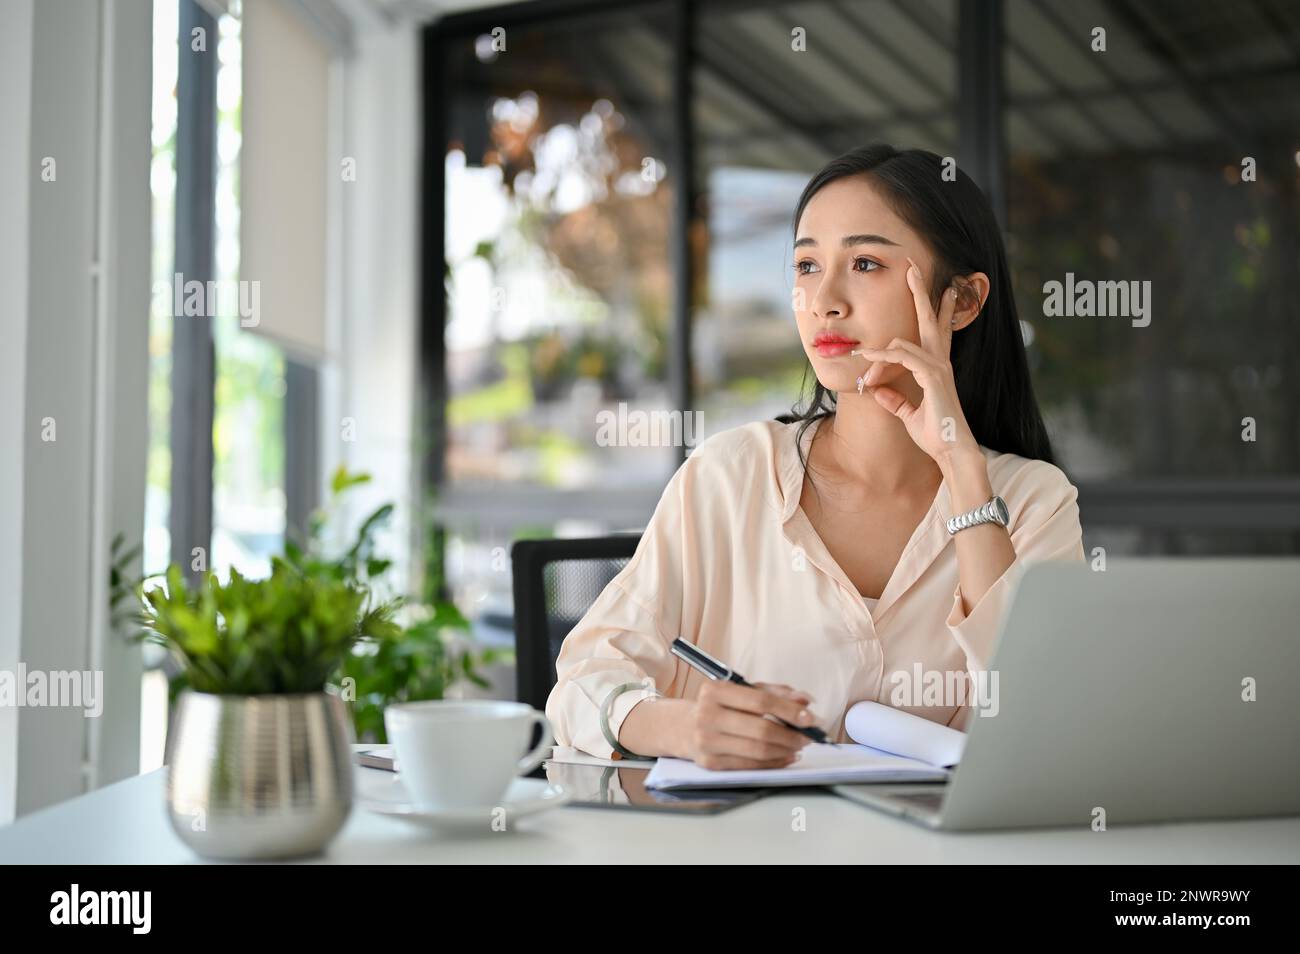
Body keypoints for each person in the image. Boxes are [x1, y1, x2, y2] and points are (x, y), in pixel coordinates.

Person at [546, 144, 1084, 770]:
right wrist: (684, 728)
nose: (824, 299)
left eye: (864, 262)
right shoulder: (731, 475)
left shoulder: (1035, 501)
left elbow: (1049, 719)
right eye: (805, 266)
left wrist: (963, 468)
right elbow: (583, 683)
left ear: (962, 300)